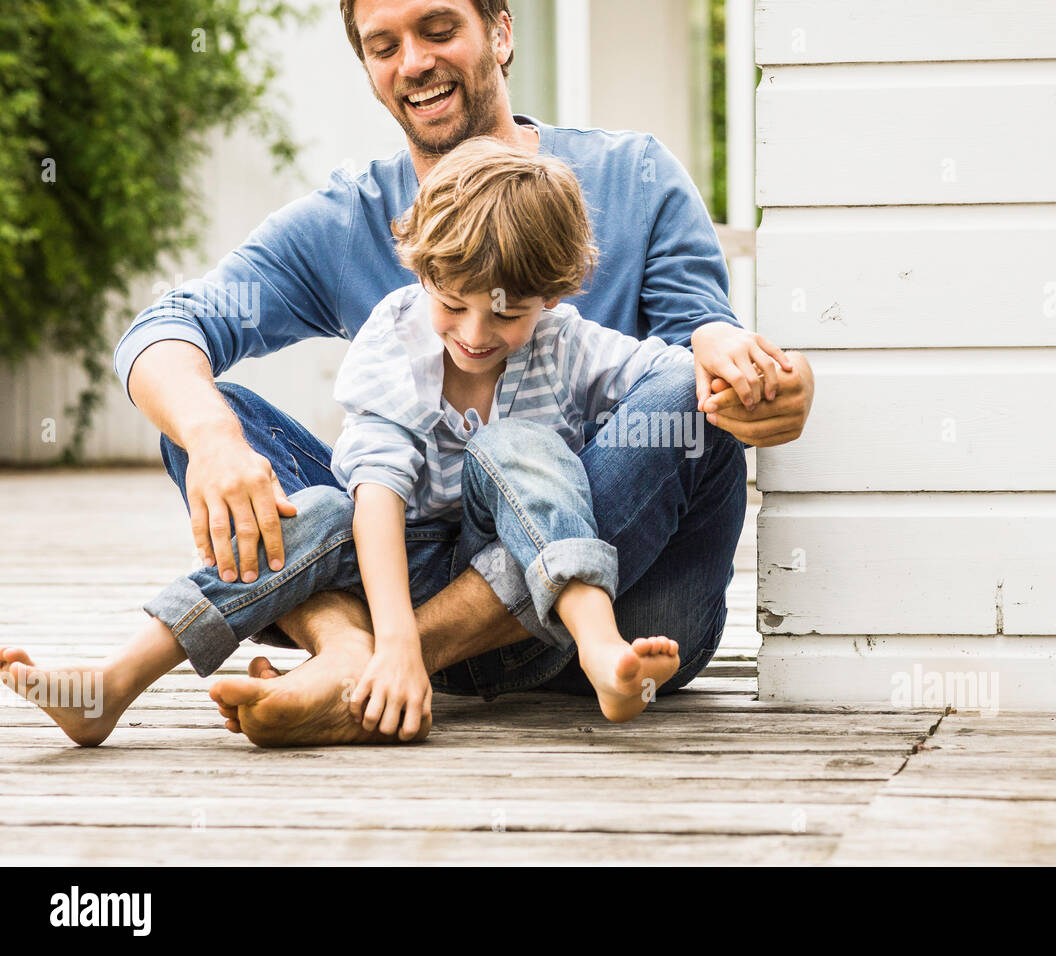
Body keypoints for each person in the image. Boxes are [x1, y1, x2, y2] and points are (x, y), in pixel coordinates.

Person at [71, 0, 813, 746]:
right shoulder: (349, 224)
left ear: (500, 28)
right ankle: (357, 654)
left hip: (626, 612)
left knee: (676, 399)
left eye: (437, 29)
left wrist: (770, 380)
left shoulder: (634, 176)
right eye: (383, 44)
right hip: (408, 569)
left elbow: (704, 345)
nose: (413, 62)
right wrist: (213, 439)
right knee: (210, 414)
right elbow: (165, 333)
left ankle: (366, 671)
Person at [1, 138, 734, 745]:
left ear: (554, 296)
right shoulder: (399, 335)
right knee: (304, 498)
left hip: (529, 591)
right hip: (401, 573)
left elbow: (672, 377)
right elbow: (377, 495)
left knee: (525, 448)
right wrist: (398, 647)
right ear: (422, 271)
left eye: (506, 317)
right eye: (454, 305)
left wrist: (737, 365)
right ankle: (117, 681)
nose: (476, 336)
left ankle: (600, 646)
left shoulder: (567, 344)